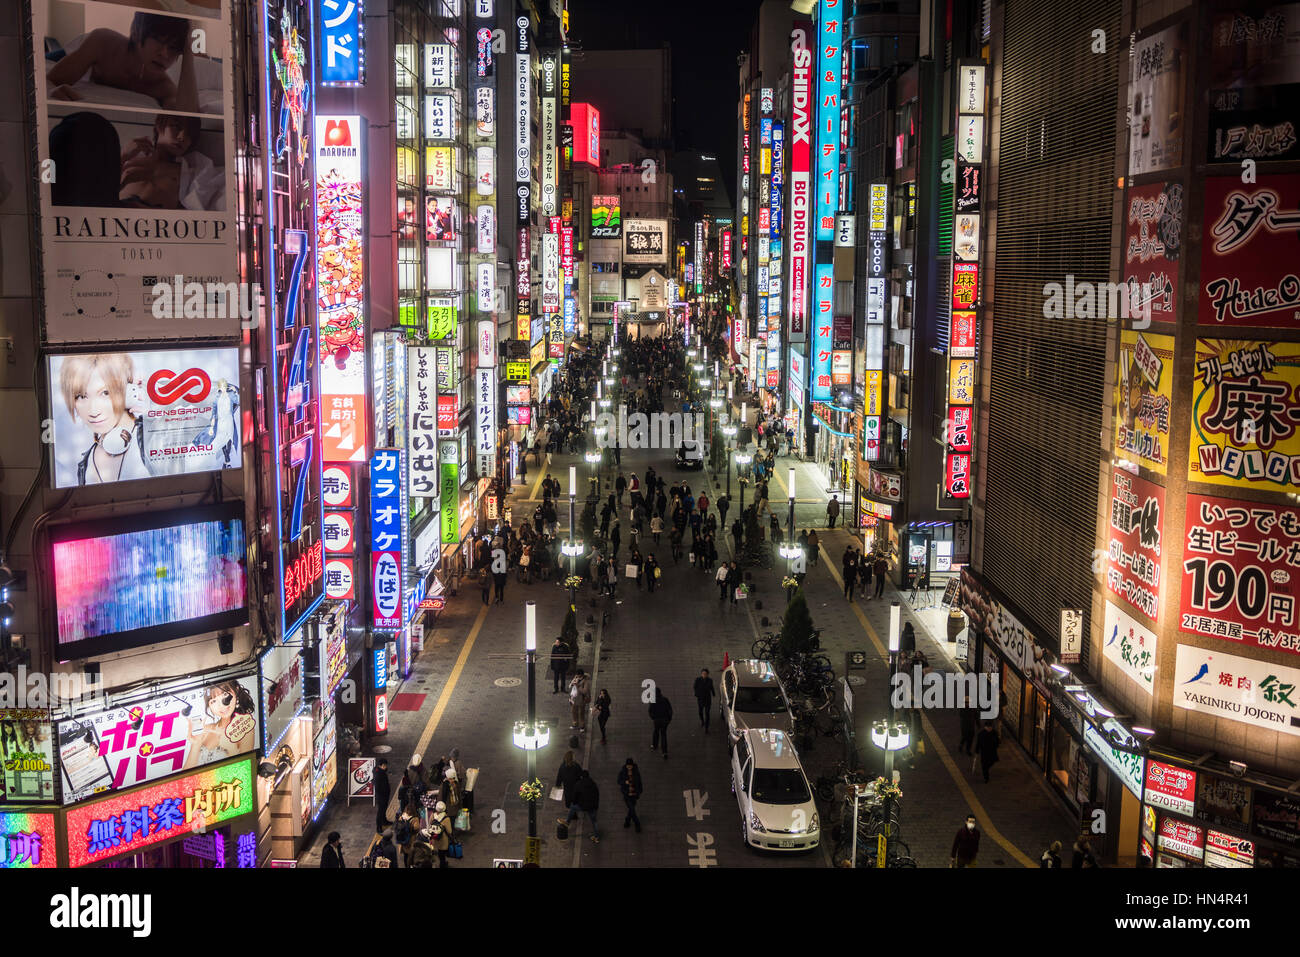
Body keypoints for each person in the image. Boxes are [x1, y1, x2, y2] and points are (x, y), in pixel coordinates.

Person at [559, 769, 601, 843]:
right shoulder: (593, 783)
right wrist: (596, 806)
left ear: (581, 777)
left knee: (572, 807)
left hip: (583, 806)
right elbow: (597, 794)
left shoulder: (579, 784)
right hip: (593, 806)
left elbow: (575, 796)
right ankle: (596, 837)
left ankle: (567, 822)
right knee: (594, 821)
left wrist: (575, 802)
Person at [618, 757, 644, 833]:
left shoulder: (636, 772)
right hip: (627, 794)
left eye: (630, 766)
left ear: (632, 765)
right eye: (628, 766)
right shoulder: (623, 772)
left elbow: (639, 782)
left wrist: (639, 791)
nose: (629, 767)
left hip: (634, 794)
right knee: (632, 809)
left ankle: (627, 821)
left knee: (631, 810)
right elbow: (618, 781)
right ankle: (637, 824)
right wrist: (624, 782)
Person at [648, 687, 673, 758]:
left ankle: (654, 745)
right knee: (663, 735)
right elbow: (670, 710)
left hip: (657, 720)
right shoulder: (665, 700)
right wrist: (669, 719)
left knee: (656, 731)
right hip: (665, 720)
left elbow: (650, 711)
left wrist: (653, 718)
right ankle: (664, 752)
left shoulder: (652, 701)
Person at [429, 801, 453, 867]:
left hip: (435, 838)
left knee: (438, 853)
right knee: (442, 855)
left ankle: (440, 863)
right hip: (443, 840)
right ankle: (443, 865)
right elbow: (449, 831)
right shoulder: (446, 818)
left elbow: (430, 823)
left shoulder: (433, 815)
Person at [569, 668, 591, 732]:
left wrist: (578, 686)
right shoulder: (575, 678)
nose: (577, 677)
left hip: (581, 699)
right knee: (573, 712)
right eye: (576, 675)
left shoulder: (586, 682)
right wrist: (572, 683)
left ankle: (582, 726)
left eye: (578, 676)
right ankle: (575, 724)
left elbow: (584, 691)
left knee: (581, 713)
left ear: (581, 675)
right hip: (574, 698)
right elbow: (570, 686)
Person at [694, 668, 716, 733]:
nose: (704, 675)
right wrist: (696, 694)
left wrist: (713, 693)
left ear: (707, 674)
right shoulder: (698, 680)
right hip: (700, 699)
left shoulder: (710, 680)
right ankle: (702, 721)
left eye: (705, 674)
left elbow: (712, 687)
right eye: (703, 674)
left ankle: (706, 728)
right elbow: (695, 687)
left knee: (707, 713)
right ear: (701, 674)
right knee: (700, 712)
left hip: (707, 699)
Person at [373, 758, 392, 831]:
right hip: (381, 796)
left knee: (384, 809)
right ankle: (379, 827)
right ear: (382, 765)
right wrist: (384, 793)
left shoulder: (381, 771)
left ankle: (384, 821)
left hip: (384, 795)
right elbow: (377, 787)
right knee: (380, 811)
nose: (386, 767)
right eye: (385, 765)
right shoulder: (378, 774)